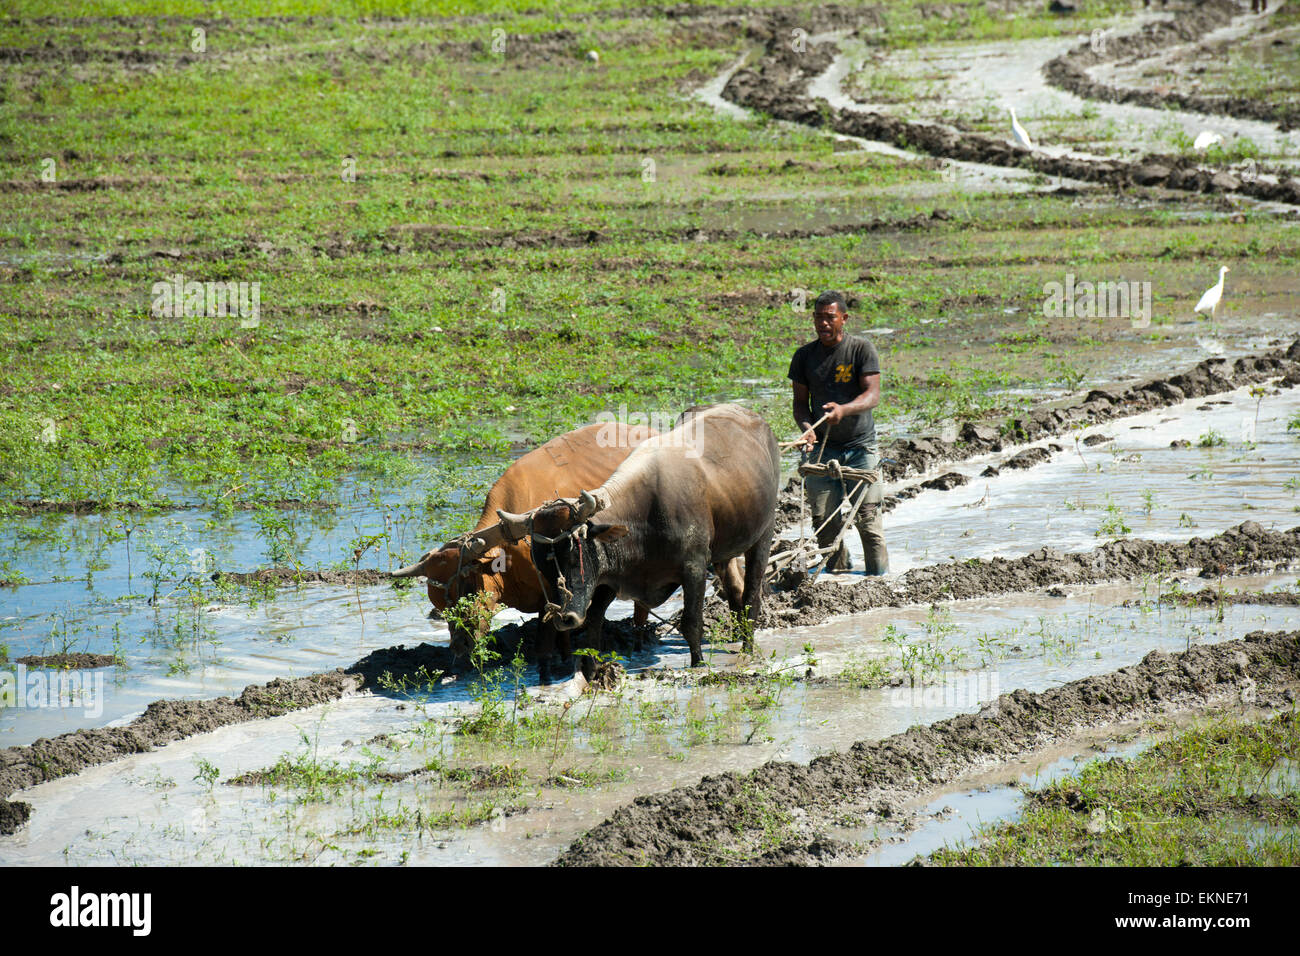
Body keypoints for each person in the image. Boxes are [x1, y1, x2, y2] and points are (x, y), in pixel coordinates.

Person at [788, 290, 888, 575]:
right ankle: (839, 579)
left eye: (830, 317)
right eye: (818, 317)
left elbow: (872, 396)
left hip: (860, 446)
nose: (823, 323)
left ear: (844, 318)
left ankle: (879, 582)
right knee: (823, 522)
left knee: (868, 522)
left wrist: (844, 410)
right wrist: (807, 429)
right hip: (822, 450)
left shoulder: (861, 349)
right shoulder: (804, 356)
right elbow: (800, 405)